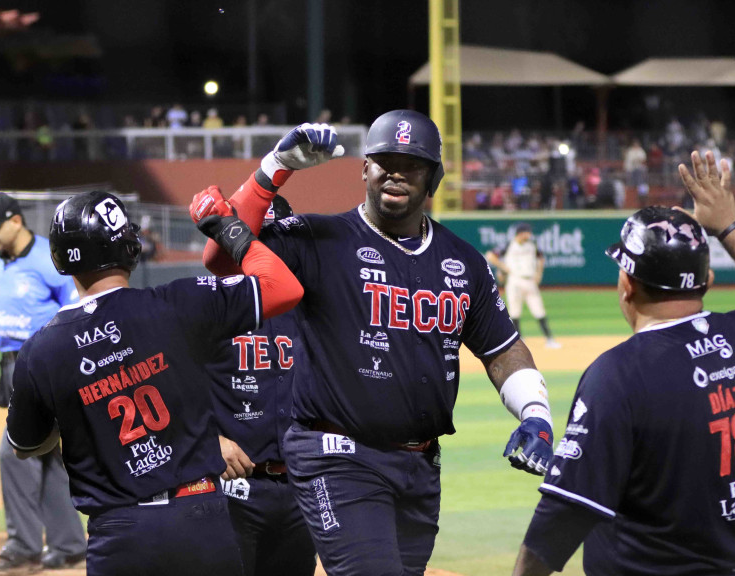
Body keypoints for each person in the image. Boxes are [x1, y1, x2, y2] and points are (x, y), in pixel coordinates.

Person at [195, 111, 555, 576]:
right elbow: (221, 260)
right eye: (384, 160)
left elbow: (502, 348)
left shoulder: (463, 263)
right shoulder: (317, 238)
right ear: (364, 169)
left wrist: (537, 414)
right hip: (336, 454)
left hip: (420, 466)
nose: (395, 172)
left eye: (412, 164)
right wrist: (274, 168)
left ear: (434, 179)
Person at [513, 151, 735, 576]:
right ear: (706, 282)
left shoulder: (617, 374)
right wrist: (729, 226)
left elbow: (562, 518)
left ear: (626, 283)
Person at [6, 190, 304, 575]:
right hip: (200, 517)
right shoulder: (177, 304)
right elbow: (284, 286)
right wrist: (226, 226)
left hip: (118, 533)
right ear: (130, 246)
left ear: (60, 258)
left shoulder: (40, 350)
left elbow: (26, 445)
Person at [0, 192, 87, 572]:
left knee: (13, 451)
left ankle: (24, 546)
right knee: (48, 459)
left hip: (45, 366)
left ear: (16, 221)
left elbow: (76, 309)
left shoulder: (50, 258)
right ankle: (70, 544)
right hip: (10, 365)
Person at [208, 195, 317, 576]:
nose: (264, 251)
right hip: (230, 489)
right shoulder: (209, 306)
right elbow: (171, 387)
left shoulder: (315, 308)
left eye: (274, 241)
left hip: (302, 489)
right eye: (256, 240)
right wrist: (210, 440)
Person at [486, 223, 559, 348]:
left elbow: (541, 258)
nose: (530, 235)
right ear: (521, 233)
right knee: (515, 311)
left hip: (530, 280)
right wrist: (503, 267)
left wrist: (539, 273)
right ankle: (519, 340)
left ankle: (549, 339)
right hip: (515, 280)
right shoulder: (509, 245)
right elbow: (490, 255)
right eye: (528, 232)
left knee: (539, 309)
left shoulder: (532, 245)